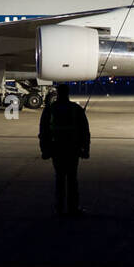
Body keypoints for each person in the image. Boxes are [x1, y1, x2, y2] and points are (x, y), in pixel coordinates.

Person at [38, 84, 90, 215]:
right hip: (73, 149)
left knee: (59, 179)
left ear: (58, 93)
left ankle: (59, 208)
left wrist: (44, 150)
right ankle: (73, 208)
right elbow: (85, 131)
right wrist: (86, 149)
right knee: (72, 179)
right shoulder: (76, 109)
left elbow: (43, 131)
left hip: (57, 149)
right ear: (68, 93)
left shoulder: (50, 109)